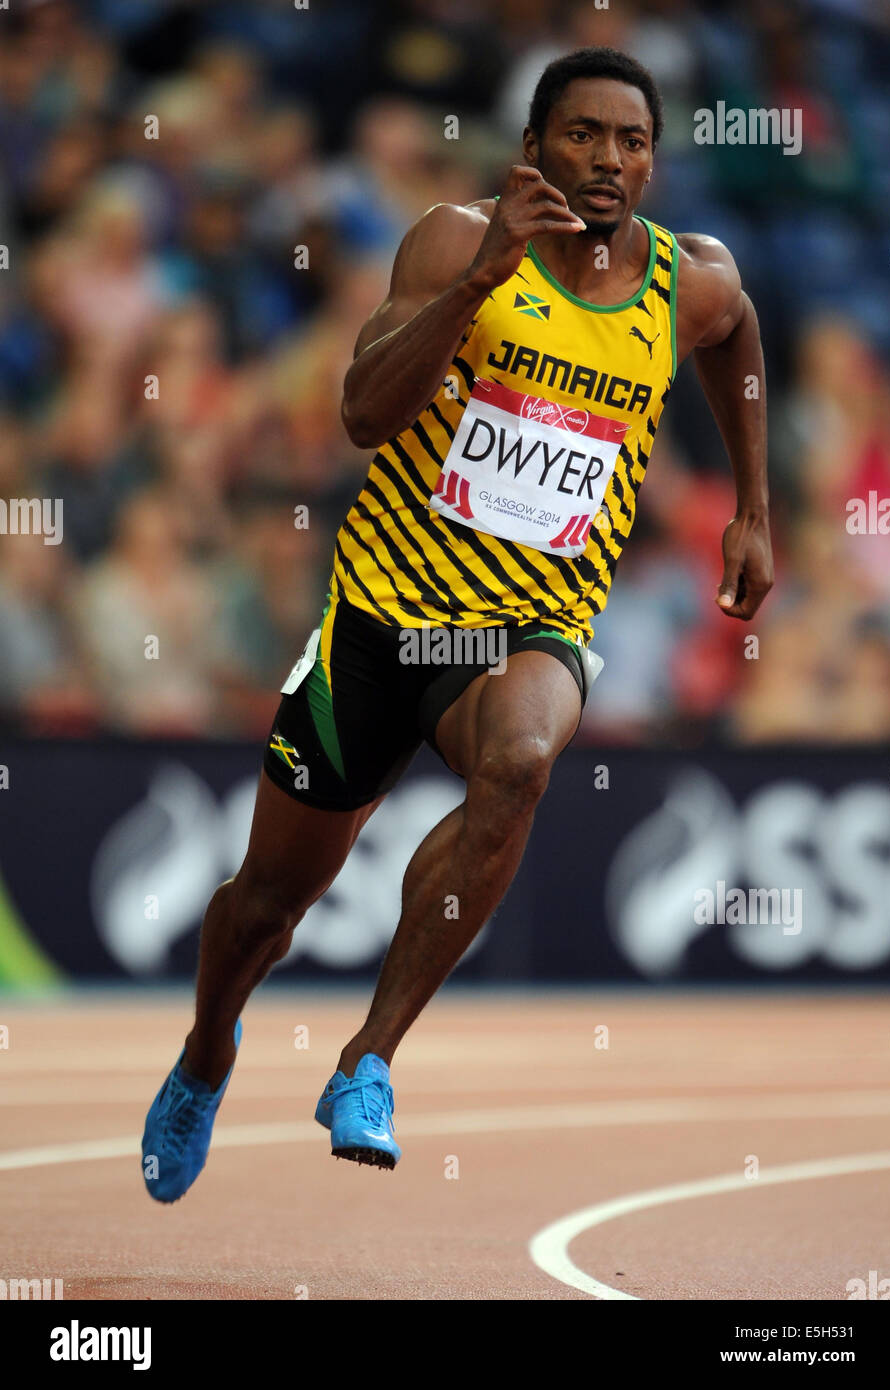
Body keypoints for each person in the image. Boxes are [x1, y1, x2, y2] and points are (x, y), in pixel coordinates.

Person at [142, 46, 773, 1199]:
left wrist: (753, 509)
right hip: (379, 623)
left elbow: (735, 340)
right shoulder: (448, 238)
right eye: (582, 134)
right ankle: (206, 1050)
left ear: (651, 162)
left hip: (525, 625)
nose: (607, 159)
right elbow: (360, 413)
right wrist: (481, 277)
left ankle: (367, 1059)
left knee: (525, 758)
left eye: (631, 141)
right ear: (530, 148)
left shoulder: (691, 281)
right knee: (263, 909)